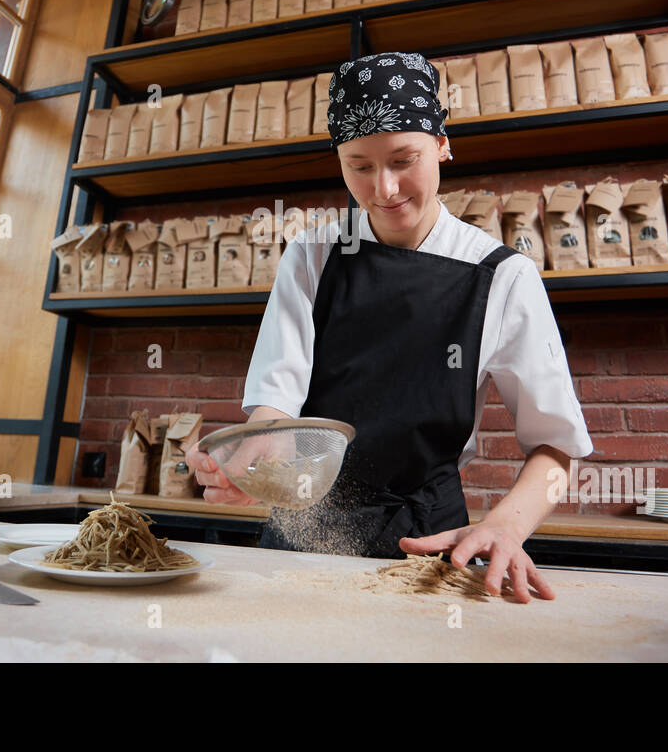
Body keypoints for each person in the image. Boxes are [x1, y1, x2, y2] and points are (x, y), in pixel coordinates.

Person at [186, 50, 593, 603]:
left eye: (405, 159)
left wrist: (507, 525)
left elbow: (556, 444)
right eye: (359, 165)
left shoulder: (502, 277)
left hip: (429, 541)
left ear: (443, 145)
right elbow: (276, 410)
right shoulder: (313, 255)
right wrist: (255, 468)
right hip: (303, 534)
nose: (384, 189)